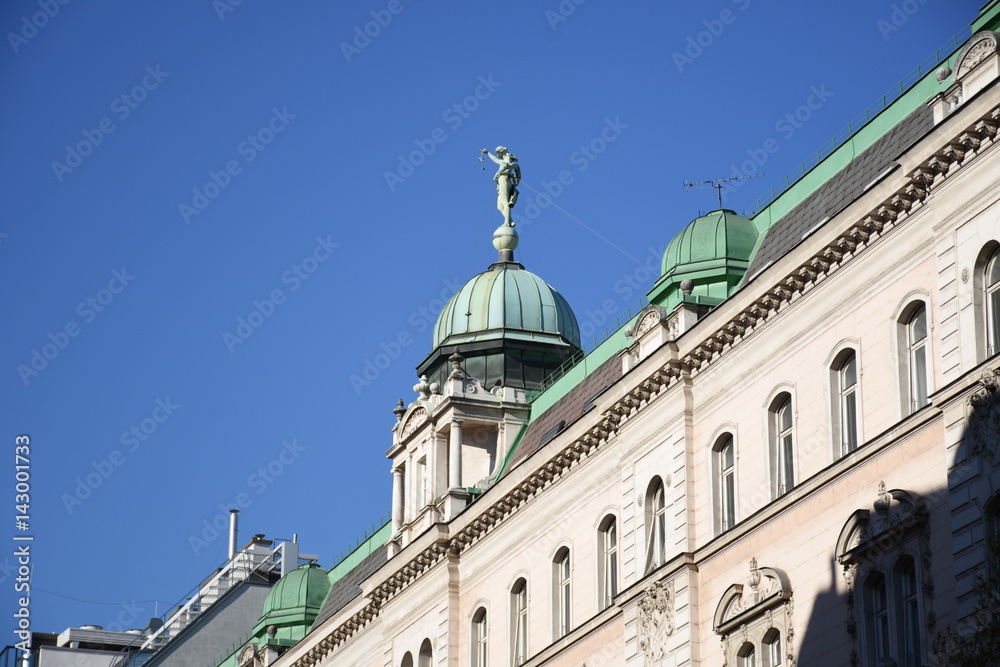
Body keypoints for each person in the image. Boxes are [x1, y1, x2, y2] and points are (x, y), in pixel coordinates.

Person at [480, 146, 520, 226]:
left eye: (498, 153)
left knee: (505, 202)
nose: (498, 155)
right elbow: (496, 160)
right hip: (501, 182)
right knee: (499, 206)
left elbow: (508, 169)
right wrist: (487, 153)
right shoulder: (504, 160)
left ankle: (506, 222)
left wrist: (499, 173)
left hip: (504, 180)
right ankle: (510, 221)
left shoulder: (507, 158)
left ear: (501, 152)